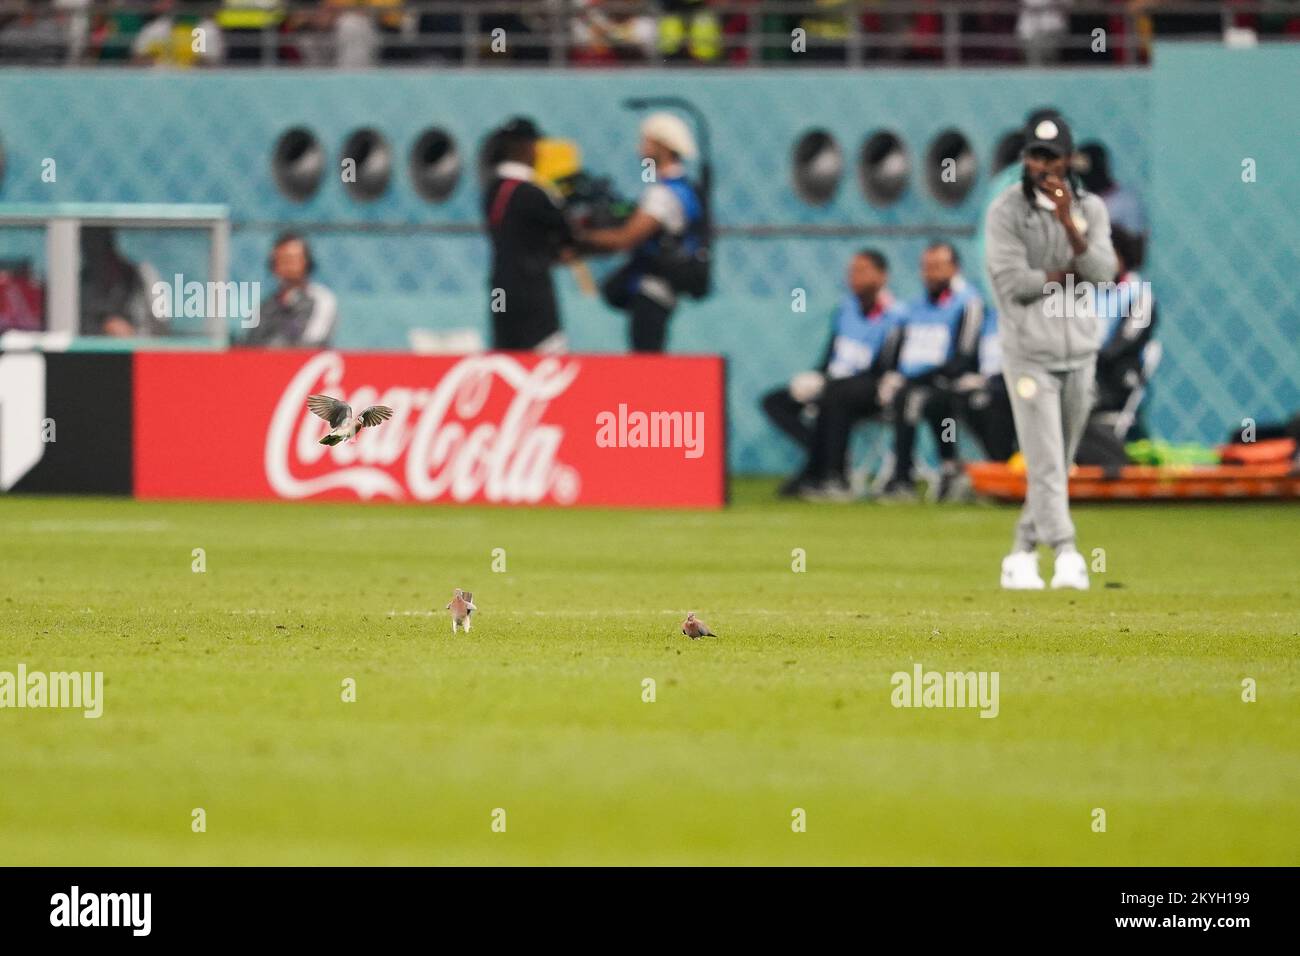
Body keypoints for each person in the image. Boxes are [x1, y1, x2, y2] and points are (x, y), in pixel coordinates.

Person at [984, 113, 1117, 591]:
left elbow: (1104, 272)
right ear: (1025, 159)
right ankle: (1066, 553)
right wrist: (1059, 277)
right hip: (1029, 354)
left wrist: (1068, 225)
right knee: (1044, 460)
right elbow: (1010, 282)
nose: (1042, 165)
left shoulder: (1092, 209)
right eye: (1034, 155)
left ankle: (1020, 553)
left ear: (1068, 160)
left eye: (1050, 156)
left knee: (1056, 464)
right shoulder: (1006, 212)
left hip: (1080, 351)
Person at [761, 249, 905, 500]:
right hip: (834, 384)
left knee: (836, 395)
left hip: (871, 387)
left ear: (882, 276)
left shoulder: (895, 315)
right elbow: (831, 354)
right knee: (776, 401)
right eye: (852, 272)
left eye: (862, 271)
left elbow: (886, 365)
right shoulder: (845, 308)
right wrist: (816, 375)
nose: (854, 278)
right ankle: (818, 455)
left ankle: (834, 476)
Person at [578, 112, 705, 353]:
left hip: (653, 290)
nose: (640, 149)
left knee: (646, 357)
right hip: (663, 290)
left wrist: (581, 238)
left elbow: (629, 237)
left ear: (663, 146)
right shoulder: (683, 188)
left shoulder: (664, 193)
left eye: (645, 141)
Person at [877, 242, 986, 501]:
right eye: (927, 267)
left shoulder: (968, 303)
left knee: (919, 399)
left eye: (938, 267)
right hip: (906, 383)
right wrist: (890, 375)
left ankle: (907, 475)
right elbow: (895, 349)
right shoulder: (912, 308)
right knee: (903, 394)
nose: (931, 273)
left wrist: (915, 379)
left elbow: (964, 356)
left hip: (948, 381)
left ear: (954, 269)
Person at [482, 116, 575, 352]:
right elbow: (569, 234)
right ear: (525, 147)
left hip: (499, 288)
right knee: (545, 352)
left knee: (505, 352)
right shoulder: (534, 194)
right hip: (531, 291)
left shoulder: (493, 190)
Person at [1075, 227, 1159, 464]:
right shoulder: (1085, 293)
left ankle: (1118, 465)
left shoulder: (1139, 294)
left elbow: (1127, 341)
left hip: (1118, 376)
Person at [244, 232, 338, 347]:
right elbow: (249, 344)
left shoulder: (322, 299)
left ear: (307, 262)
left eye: (293, 259)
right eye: (282, 259)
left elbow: (314, 342)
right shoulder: (265, 306)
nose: (288, 265)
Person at [78, 227, 160, 337]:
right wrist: (103, 327)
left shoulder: (141, 276)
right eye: (88, 242)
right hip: (90, 351)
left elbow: (160, 325)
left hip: (137, 347)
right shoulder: (78, 283)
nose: (93, 250)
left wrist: (131, 332)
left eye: (98, 241)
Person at [1076, 141, 1148, 267]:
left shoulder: (1126, 201)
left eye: (1087, 166)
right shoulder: (1075, 201)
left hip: (1118, 280)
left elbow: (1137, 252)